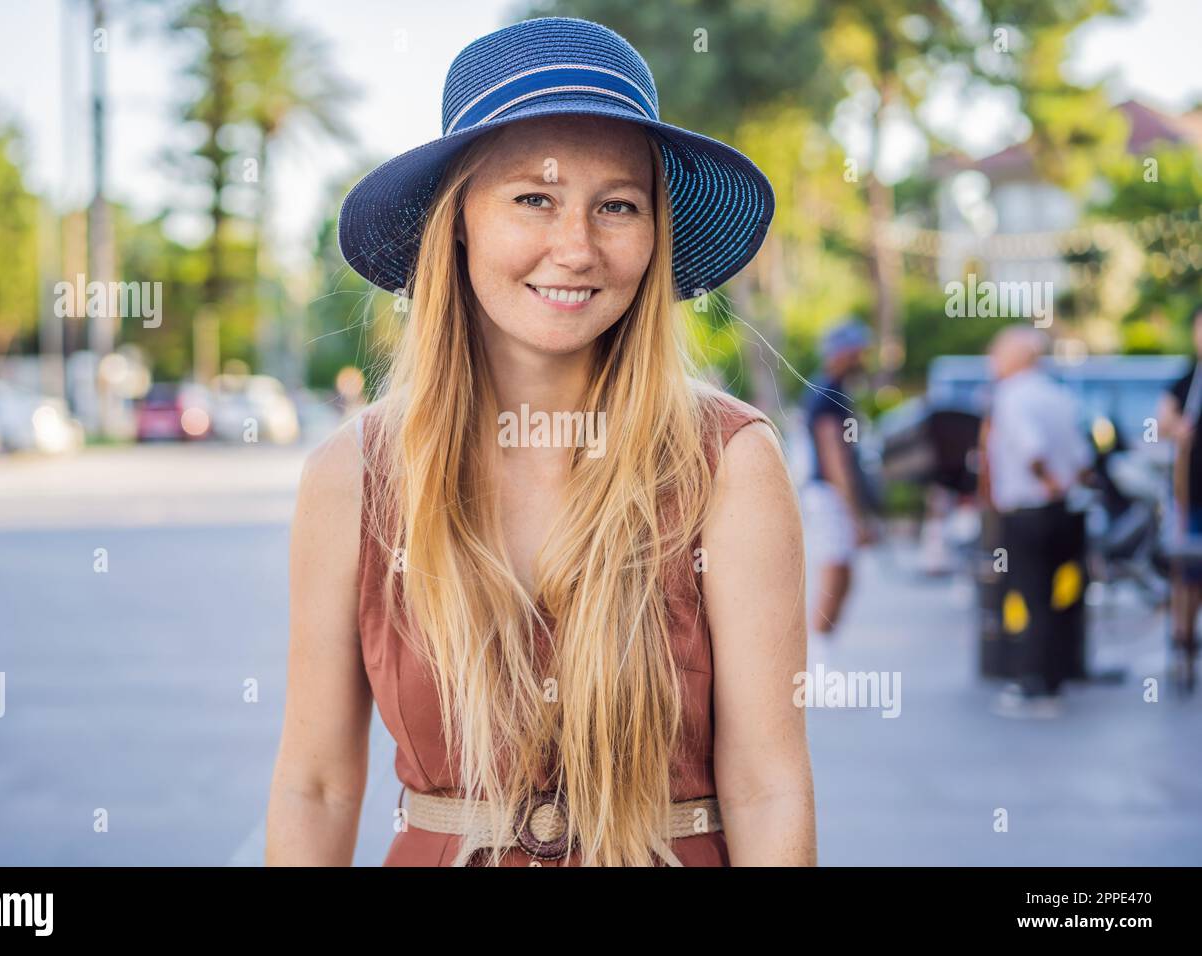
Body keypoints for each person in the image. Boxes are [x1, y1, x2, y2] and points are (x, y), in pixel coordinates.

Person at [265, 17, 814, 867]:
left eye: (618, 206)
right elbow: (317, 785)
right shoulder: (356, 473)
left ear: (655, 234)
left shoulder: (729, 463)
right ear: (458, 223)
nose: (576, 248)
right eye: (535, 199)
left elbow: (767, 786)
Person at [984, 326, 1092, 718]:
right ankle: (1057, 676)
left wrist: (1050, 484)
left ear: (1017, 358)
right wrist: (1065, 488)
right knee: (1060, 596)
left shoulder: (1012, 397)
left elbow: (1033, 450)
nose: (992, 361)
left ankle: (1035, 684)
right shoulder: (1060, 395)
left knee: (1030, 597)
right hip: (1064, 513)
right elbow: (1083, 459)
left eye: (997, 353)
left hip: (1030, 511)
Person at [801, 320, 876, 662]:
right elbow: (835, 459)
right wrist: (855, 514)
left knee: (844, 574)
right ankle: (817, 662)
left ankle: (823, 655)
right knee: (835, 573)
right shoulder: (827, 394)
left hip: (833, 495)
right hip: (830, 496)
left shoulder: (837, 391)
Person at [1156, 303, 1202, 678]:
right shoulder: (1189, 381)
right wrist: (1175, 428)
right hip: (1194, 495)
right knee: (1187, 570)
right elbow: (1160, 421)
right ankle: (1183, 633)